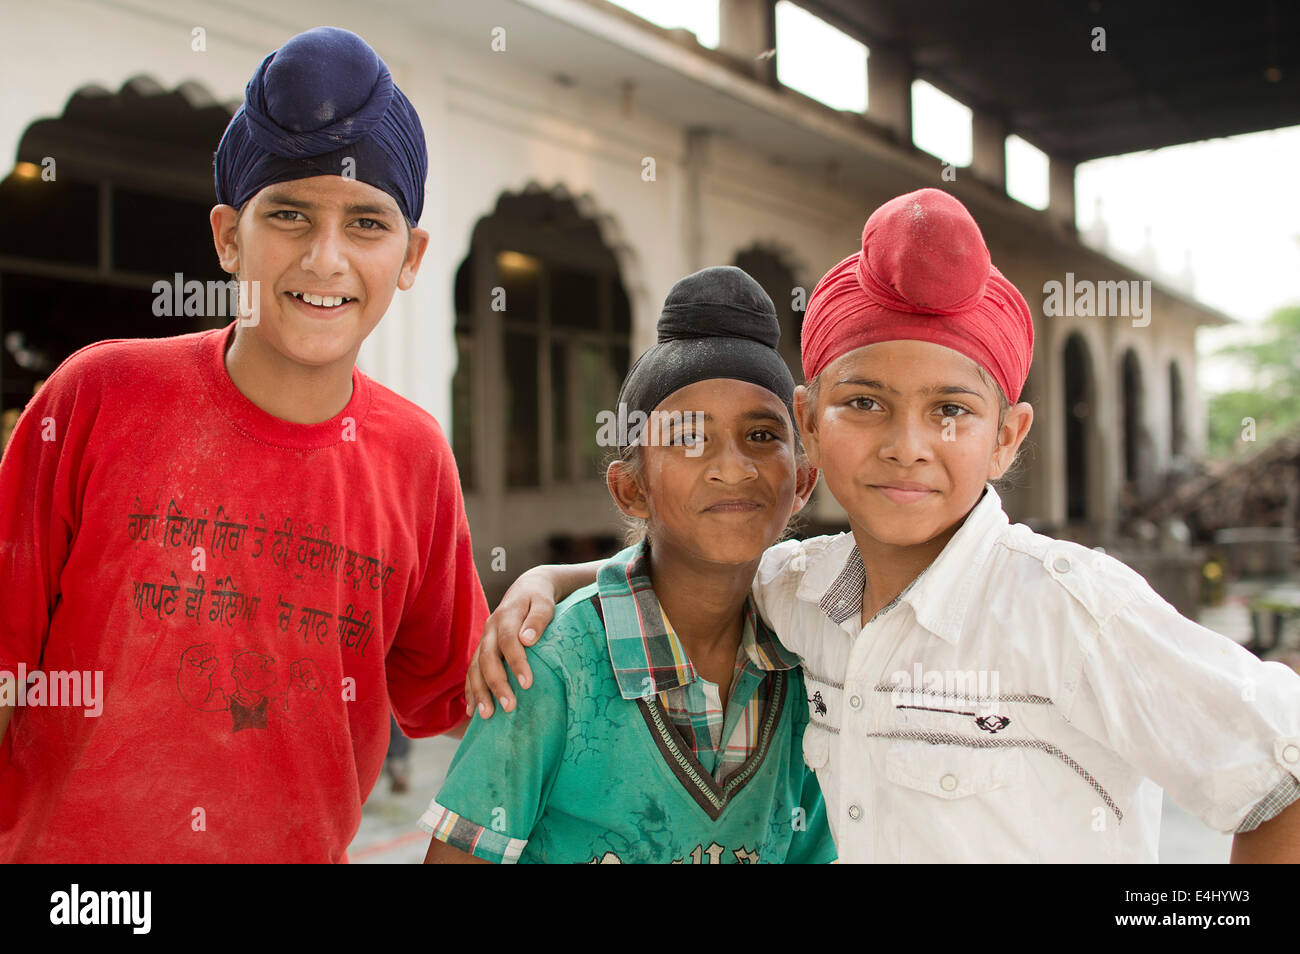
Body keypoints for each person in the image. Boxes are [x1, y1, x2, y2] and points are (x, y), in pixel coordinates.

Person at [465, 188, 1300, 863]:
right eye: (864, 403)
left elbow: (1282, 780)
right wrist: (553, 583)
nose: (907, 448)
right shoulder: (805, 595)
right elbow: (691, 564)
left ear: (1007, 438)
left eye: (951, 411)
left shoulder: (1071, 611)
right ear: (811, 427)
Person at [0, 26, 488, 862]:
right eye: (289, 214)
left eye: (366, 223)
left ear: (411, 257)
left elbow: (467, 698)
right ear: (229, 236)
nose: (325, 258)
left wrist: (561, 583)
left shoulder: (415, 458)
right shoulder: (97, 397)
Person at [422, 267, 835, 863]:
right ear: (630, 491)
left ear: (802, 481)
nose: (732, 466)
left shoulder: (808, 664)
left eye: (763, 434)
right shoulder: (550, 667)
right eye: (688, 436)